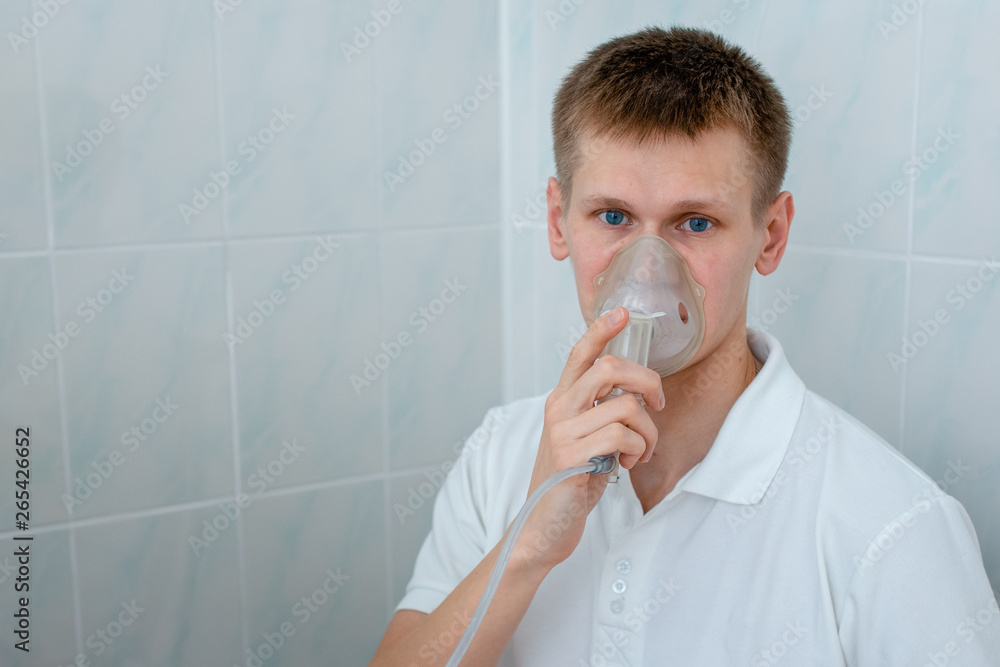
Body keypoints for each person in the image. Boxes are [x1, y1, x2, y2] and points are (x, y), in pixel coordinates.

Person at [371, 26, 1000, 666]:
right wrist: (528, 545)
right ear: (559, 221)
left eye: (695, 223)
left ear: (771, 236)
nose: (648, 269)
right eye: (613, 217)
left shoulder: (893, 528)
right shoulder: (500, 457)